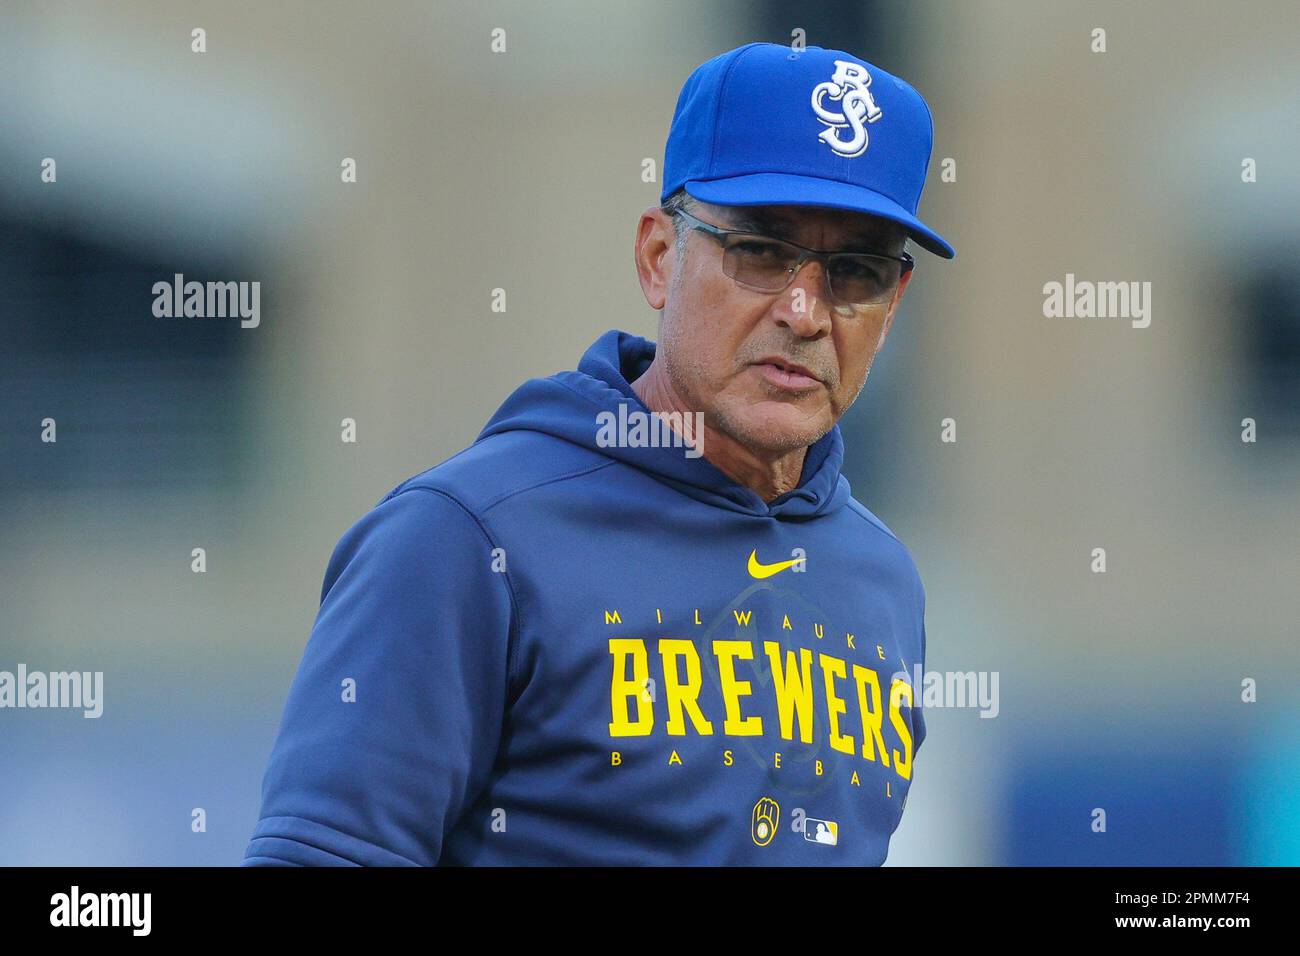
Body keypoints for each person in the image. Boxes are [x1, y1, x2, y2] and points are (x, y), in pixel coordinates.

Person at [244, 40, 954, 867]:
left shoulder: (883, 581)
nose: (804, 310)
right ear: (660, 256)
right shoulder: (467, 538)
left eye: (855, 272)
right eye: (760, 250)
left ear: (893, 302)